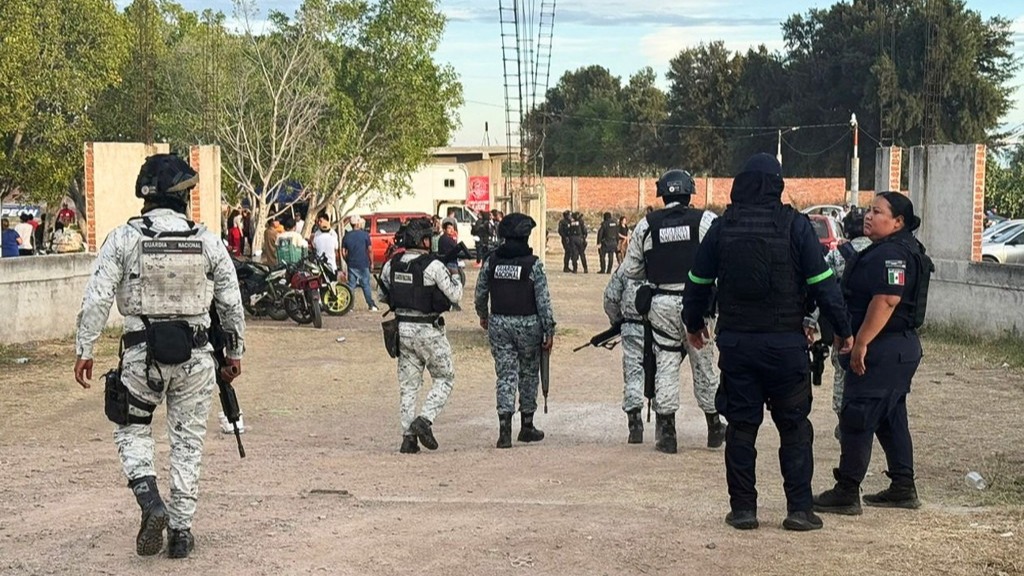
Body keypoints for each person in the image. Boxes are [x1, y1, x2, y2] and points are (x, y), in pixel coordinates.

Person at [73, 153, 245, 559]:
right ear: (182, 197)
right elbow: (231, 302)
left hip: (140, 355)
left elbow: (96, 297)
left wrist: (85, 348)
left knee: (131, 429)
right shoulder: (207, 240)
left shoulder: (124, 238)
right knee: (187, 442)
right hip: (198, 356)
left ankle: (151, 500)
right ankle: (181, 532)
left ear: (145, 197)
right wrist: (235, 351)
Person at [683, 153, 853, 532]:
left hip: (739, 346)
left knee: (741, 428)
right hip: (785, 346)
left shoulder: (723, 226)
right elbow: (823, 283)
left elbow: (696, 282)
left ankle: (743, 510)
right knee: (794, 427)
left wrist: (694, 324)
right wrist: (843, 328)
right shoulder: (795, 225)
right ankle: (799, 510)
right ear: (778, 184)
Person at [813, 192, 930, 516]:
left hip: (884, 346)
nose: (868, 216)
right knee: (890, 418)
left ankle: (847, 491)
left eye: (877, 212)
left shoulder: (892, 253)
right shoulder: (894, 249)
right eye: (868, 210)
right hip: (897, 347)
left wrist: (861, 343)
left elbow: (887, 300)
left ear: (898, 222)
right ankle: (903, 487)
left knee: (857, 416)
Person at [623, 169, 724, 454]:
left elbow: (631, 269)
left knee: (665, 363)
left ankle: (667, 431)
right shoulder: (705, 220)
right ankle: (714, 426)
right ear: (689, 193)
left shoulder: (646, 225)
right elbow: (721, 254)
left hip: (662, 303)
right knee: (703, 362)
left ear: (663, 194)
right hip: (698, 302)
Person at [378, 218, 463, 453]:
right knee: (445, 378)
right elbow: (455, 296)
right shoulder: (433, 266)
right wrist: (454, 273)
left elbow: (382, 295)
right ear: (422, 239)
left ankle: (408, 439)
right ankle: (424, 420)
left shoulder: (392, 264)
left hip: (402, 331)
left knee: (408, 387)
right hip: (428, 330)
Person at [474, 213, 556, 448]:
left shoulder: (492, 261)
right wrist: (549, 329)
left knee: (505, 375)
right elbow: (543, 300)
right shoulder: (534, 264)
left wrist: (483, 314)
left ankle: (504, 430)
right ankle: (527, 425)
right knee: (529, 374)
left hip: (499, 323)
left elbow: (480, 292)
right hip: (529, 324)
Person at [807, 206, 873, 440]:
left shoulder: (837, 255)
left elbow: (821, 290)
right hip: (876, 325)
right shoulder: (882, 252)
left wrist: (809, 322)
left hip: (845, 325)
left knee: (842, 373)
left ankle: (843, 421)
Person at [603, 266, 647, 442]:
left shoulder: (626, 267)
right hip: (659, 327)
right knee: (663, 372)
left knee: (633, 373)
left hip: (631, 326)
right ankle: (666, 424)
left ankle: (635, 423)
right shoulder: (664, 259)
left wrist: (618, 321)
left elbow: (610, 299)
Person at [342, 216, 377, 311]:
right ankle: (371, 305)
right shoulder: (365, 235)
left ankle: (349, 306)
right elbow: (370, 250)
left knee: (351, 285)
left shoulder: (346, 236)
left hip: (352, 264)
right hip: (363, 263)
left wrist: (347, 260)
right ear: (357, 224)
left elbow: (343, 252)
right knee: (366, 284)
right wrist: (372, 262)